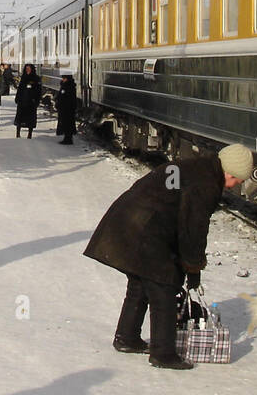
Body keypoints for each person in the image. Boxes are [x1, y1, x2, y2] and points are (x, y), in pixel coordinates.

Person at [84, 145, 248, 370]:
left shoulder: (199, 169)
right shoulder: (206, 183)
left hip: (133, 219)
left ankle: (127, 337)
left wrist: (190, 265)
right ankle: (163, 354)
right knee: (164, 286)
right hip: (146, 227)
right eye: (238, 181)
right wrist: (193, 266)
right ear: (230, 173)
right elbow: (193, 229)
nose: (236, 186)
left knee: (141, 283)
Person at [13, 63, 42, 138]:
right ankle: (18, 133)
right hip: (22, 101)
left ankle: (30, 134)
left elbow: (39, 91)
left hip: (31, 102)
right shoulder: (23, 78)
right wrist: (17, 98)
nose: (28, 70)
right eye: (26, 69)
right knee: (20, 117)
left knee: (30, 119)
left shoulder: (36, 78)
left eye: (29, 69)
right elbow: (19, 89)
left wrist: (36, 100)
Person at [56, 74, 78, 145]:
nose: (63, 79)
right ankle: (66, 138)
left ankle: (68, 139)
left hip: (68, 109)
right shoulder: (65, 86)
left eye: (64, 78)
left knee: (68, 124)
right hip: (64, 108)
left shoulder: (69, 86)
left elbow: (68, 98)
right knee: (65, 124)